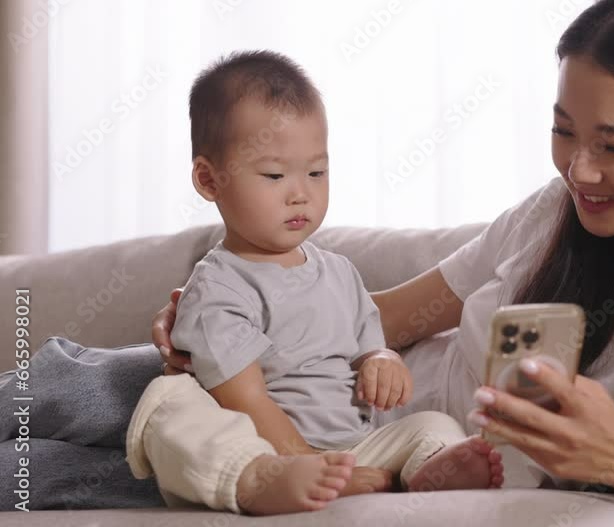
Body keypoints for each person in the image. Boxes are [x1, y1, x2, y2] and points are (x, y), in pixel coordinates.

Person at [156, 0, 614, 496]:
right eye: (564, 132)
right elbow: (391, 317)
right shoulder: (552, 211)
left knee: (144, 424)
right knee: (118, 389)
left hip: (404, 453)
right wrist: (232, 311)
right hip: (327, 399)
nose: (580, 170)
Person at [128, 50, 503, 516]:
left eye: (316, 172)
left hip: (354, 449)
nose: (300, 192)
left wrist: (382, 361)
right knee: (170, 406)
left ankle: (429, 470)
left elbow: (371, 344)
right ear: (209, 179)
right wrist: (300, 459)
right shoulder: (218, 289)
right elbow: (246, 400)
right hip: (262, 445)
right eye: (274, 175)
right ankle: (254, 481)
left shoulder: (340, 272)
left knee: (433, 422)